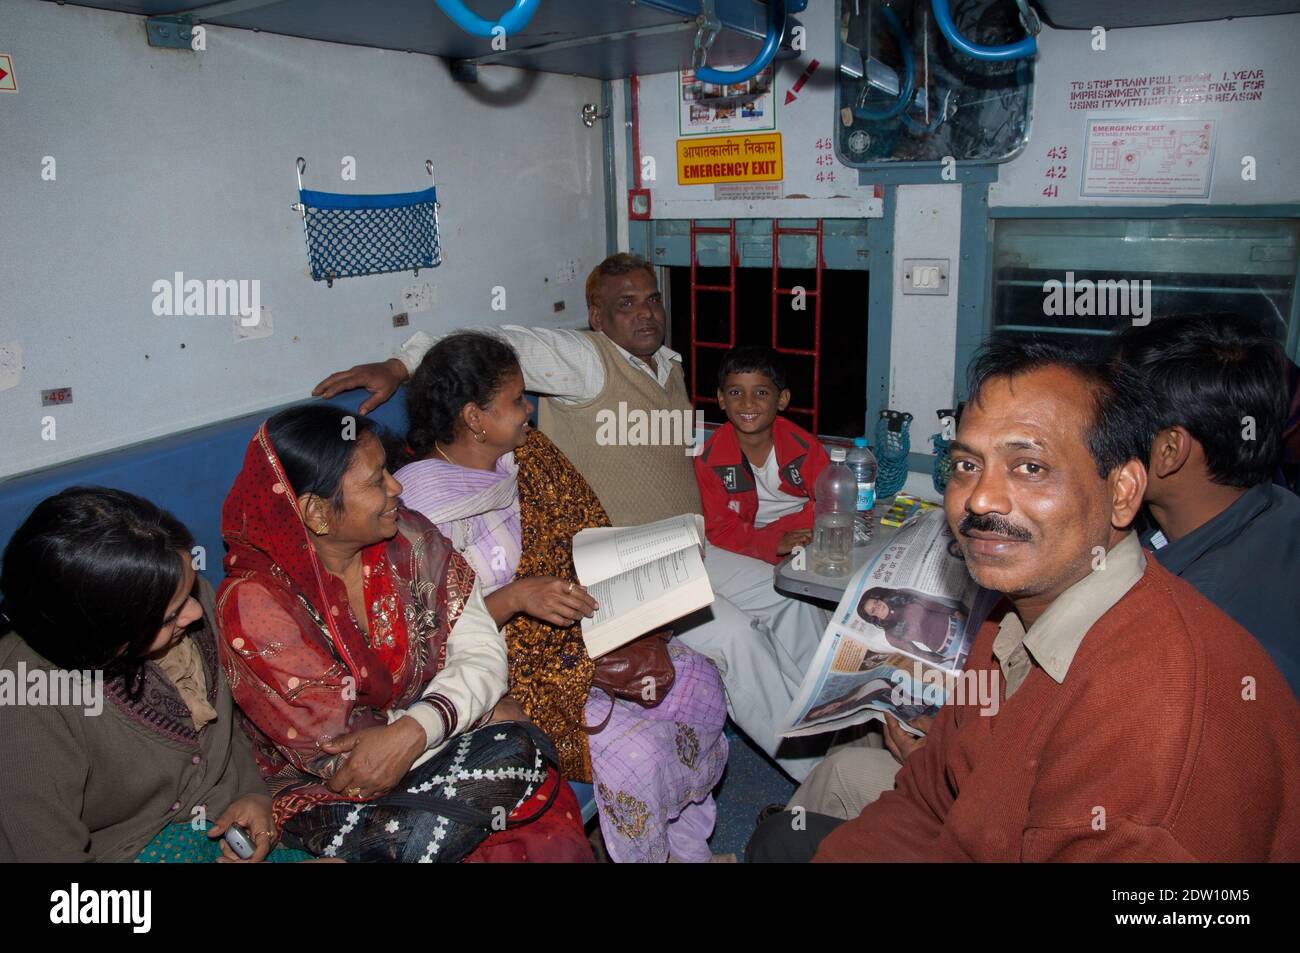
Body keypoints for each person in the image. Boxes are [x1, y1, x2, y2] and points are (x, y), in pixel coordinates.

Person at [749, 338, 1300, 861]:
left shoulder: (1159, 734)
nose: (979, 498)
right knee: (784, 839)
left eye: (1030, 467)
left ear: (1123, 491)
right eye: (967, 465)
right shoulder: (1013, 614)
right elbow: (930, 795)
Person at [313, 253, 830, 780]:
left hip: (687, 542)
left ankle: (834, 726)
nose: (647, 312)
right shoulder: (585, 361)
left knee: (788, 595)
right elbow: (482, 347)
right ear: (597, 318)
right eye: (626, 304)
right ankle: (817, 774)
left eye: (653, 299)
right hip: (627, 561)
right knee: (737, 637)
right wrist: (400, 365)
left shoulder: (668, 365)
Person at [393, 332, 729, 862]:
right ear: (475, 418)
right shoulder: (418, 506)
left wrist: (637, 575)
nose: (530, 409)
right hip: (507, 669)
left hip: (579, 627)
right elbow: (426, 635)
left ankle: (688, 849)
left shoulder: (530, 455)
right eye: (516, 401)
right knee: (639, 753)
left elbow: (586, 528)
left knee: (699, 680)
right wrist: (515, 598)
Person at [216, 405, 592, 862]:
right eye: (376, 481)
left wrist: (422, 726)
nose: (397, 487)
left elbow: (481, 650)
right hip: (333, 793)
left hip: (432, 739)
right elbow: (347, 760)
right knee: (515, 748)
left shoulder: (410, 538)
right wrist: (470, 713)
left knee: (529, 783)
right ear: (317, 512)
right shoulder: (256, 605)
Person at [0, 487, 306, 863]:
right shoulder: (26, 698)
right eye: (168, 616)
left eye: (190, 588)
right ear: (104, 633)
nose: (196, 612)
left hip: (218, 825)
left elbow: (227, 731)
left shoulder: (181, 598)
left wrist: (252, 795)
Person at [1112, 312, 1299, 695]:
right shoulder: (1280, 509)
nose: (1095, 432)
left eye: (1112, 419)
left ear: (1169, 451)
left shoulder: (1192, 623)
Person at [693, 346, 829, 564]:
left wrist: (784, 534)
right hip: (744, 540)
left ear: (782, 399)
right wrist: (771, 542)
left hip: (803, 532)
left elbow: (831, 502)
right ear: (721, 398)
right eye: (735, 392)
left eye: (761, 393)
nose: (748, 403)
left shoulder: (803, 449)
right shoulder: (709, 461)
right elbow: (720, 528)